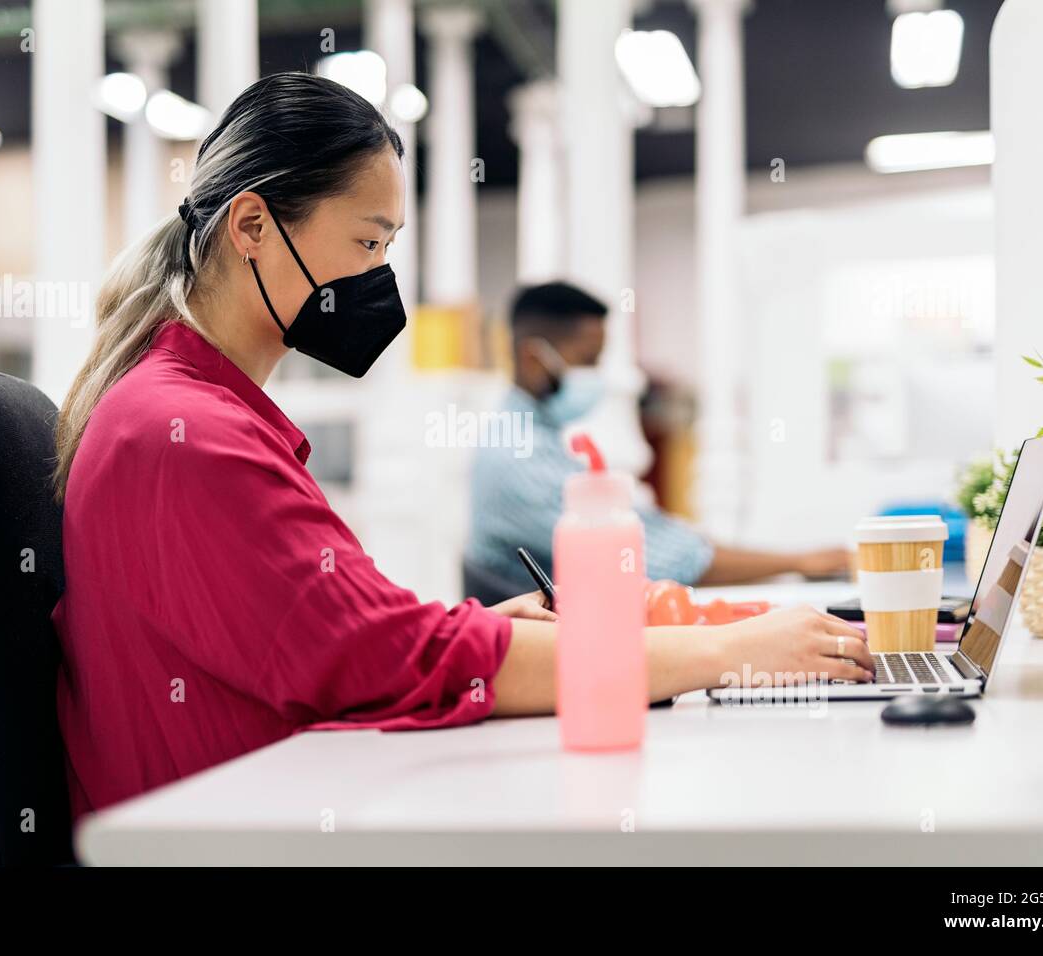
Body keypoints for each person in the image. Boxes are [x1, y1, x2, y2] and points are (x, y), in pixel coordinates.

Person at [50, 73, 871, 822]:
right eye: (368, 243)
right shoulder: (182, 435)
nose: (380, 276)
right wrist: (726, 653)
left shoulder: (190, 415)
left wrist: (472, 630)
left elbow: (334, 641)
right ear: (254, 225)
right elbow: (379, 660)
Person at [466, 282, 851, 589]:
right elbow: (664, 560)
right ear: (535, 359)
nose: (597, 377)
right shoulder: (519, 457)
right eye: (588, 361)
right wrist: (797, 562)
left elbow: (662, 537)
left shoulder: (536, 438)